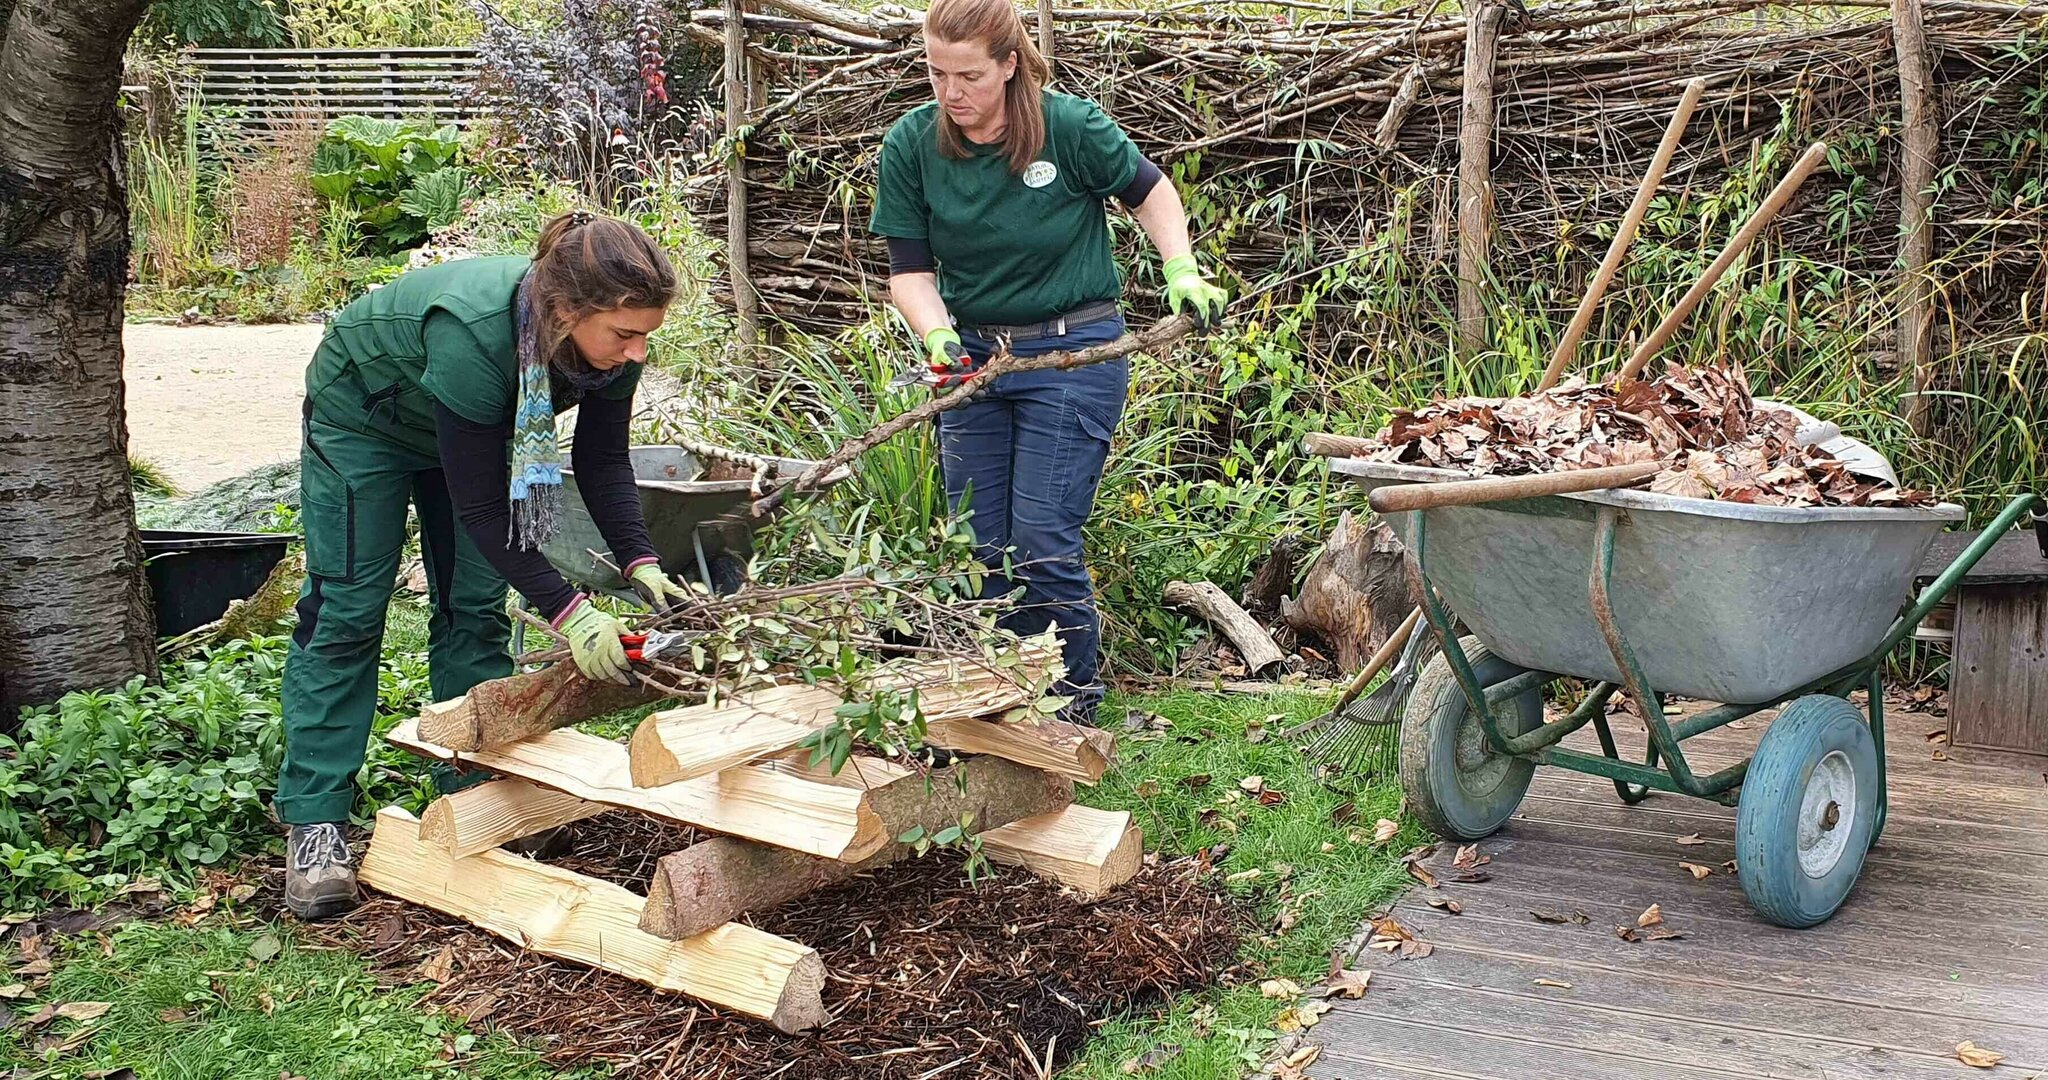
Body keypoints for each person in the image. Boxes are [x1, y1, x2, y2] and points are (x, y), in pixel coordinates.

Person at [277, 212, 696, 919]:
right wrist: (573, 614)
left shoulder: (608, 345)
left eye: (647, 334)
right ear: (566, 311)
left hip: (466, 426)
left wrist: (640, 559)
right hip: (366, 420)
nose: (636, 351)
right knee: (348, 609)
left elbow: (601, 460)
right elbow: (484, 512)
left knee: (472, 608)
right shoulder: (474, 333)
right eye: (625, 334)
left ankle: (473, 792)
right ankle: (315, 821)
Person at [869, 0, 1228, 724]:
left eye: (968, 74)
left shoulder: (1067, 127)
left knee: (1039, 539)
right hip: (976, 359)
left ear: (1008, 65)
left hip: (1072, 353)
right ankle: (997, 703)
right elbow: (908, 270)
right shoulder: (912, 145)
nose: (951, 92)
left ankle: (1068, 710)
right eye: (936, 73)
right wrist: (937, 335)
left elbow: (1150, 192)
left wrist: (1182, 267)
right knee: (978, 544)